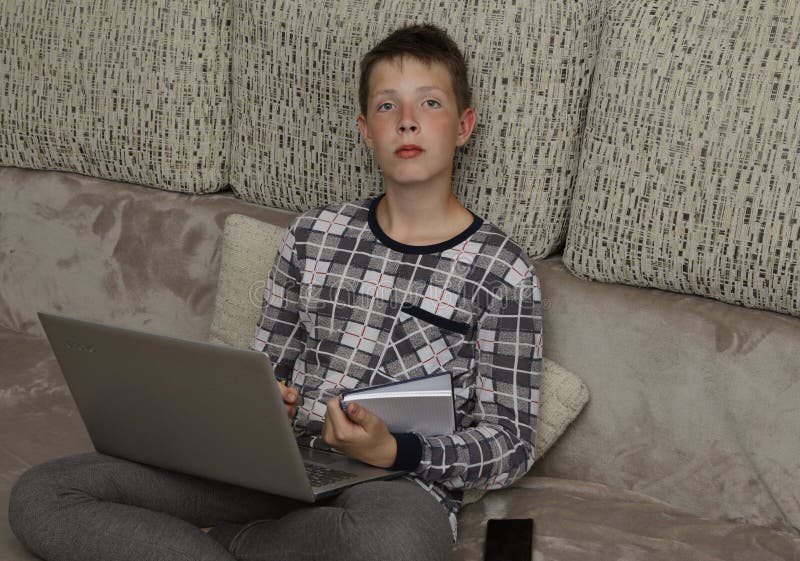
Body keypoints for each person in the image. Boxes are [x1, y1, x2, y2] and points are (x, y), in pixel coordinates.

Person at [8, 23, 542, 561]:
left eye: (429, 103)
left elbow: (512, 445)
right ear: (365, 129)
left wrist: (394, 448)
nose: (406, 121)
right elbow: (264, 369)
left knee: (394, 547)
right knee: (44, 494)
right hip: (274, 469)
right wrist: (269, 404)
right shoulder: (314, 233)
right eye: (386, 106)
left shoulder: (504, 270)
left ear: (463, 125)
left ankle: (219, 547)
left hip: (391, 489)